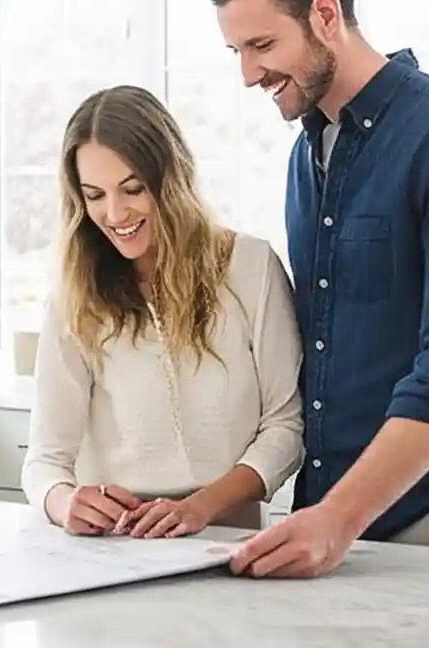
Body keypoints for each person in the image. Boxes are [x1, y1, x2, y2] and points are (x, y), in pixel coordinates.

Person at [207, 0, 429, 577]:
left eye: (262, 45)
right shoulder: (309, 155)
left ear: (325, 15)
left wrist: (338, 519)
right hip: (329, 523)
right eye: (237, 51)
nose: (248, 74)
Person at [20, 84, 306, 538]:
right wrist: (63, 501)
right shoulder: (75, 297)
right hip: (114, 547)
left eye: (132, 189)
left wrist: (201, 508)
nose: (114, 213)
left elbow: (285, 425)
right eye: (94, 195)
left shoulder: (250, 267)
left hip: (226, 540)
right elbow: (44, 461)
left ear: (170, 179)